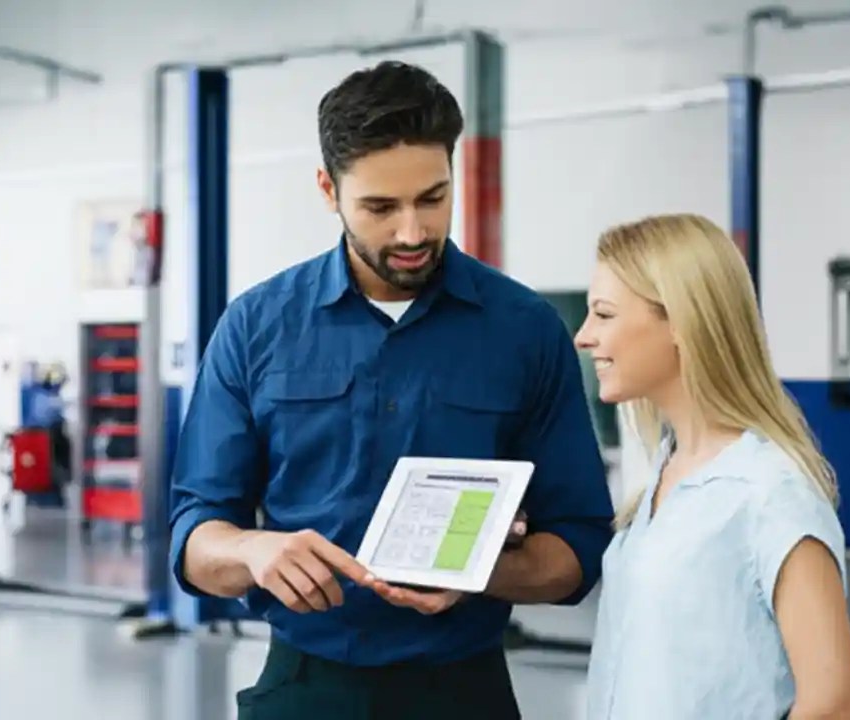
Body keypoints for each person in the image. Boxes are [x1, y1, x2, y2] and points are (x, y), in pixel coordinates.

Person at [167, 60, 615, 719]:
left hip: (466, 691)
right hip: (304, 686)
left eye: (432, 198)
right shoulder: (256, 327)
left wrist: (479, 571)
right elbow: (194, 534)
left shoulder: (526, 333)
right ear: (328, 189)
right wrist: (252, 550)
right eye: (380, 207)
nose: (411, 232)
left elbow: (578, 547)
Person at [576, 214, 850, 719]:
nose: (583, 336)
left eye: (603, 314)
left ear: (681, 323)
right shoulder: (665, 476)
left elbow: (834, 705)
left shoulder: (770, 493)